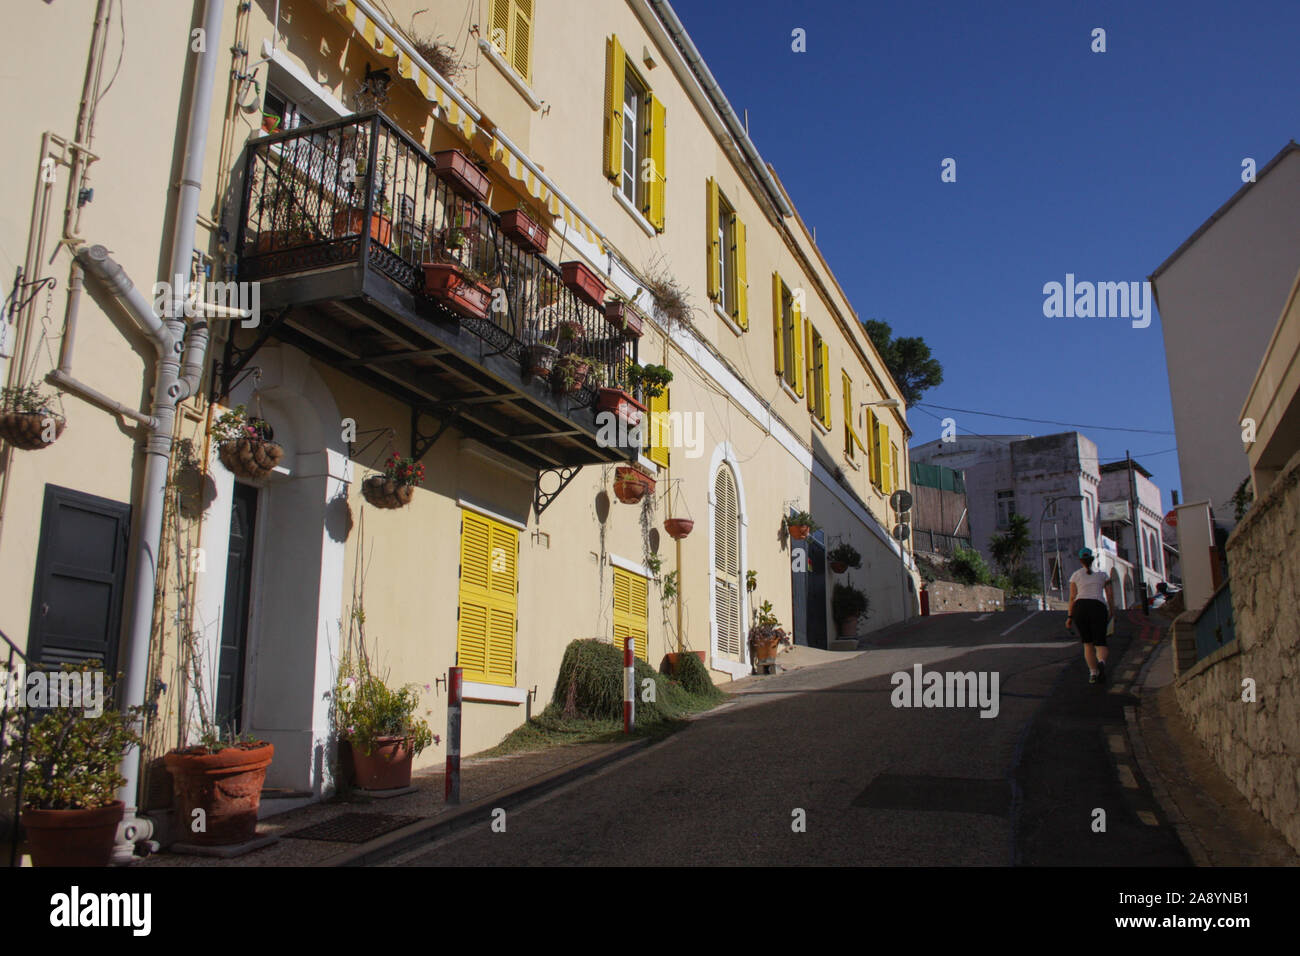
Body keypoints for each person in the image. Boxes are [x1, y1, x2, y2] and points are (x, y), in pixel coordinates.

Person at [1066, 547, 1114, 684]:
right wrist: (1112, 611)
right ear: (1093, 559)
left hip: (1080, 608)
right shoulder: (1103, 575)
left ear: (1080, 560)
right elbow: (1110, 595)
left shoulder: (1075, 575)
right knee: (1100, 642)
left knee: (1087, 644)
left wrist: (1069, 617)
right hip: (1098, 607)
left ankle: (1093, 673)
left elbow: (1072, 597)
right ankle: (1102, 662)